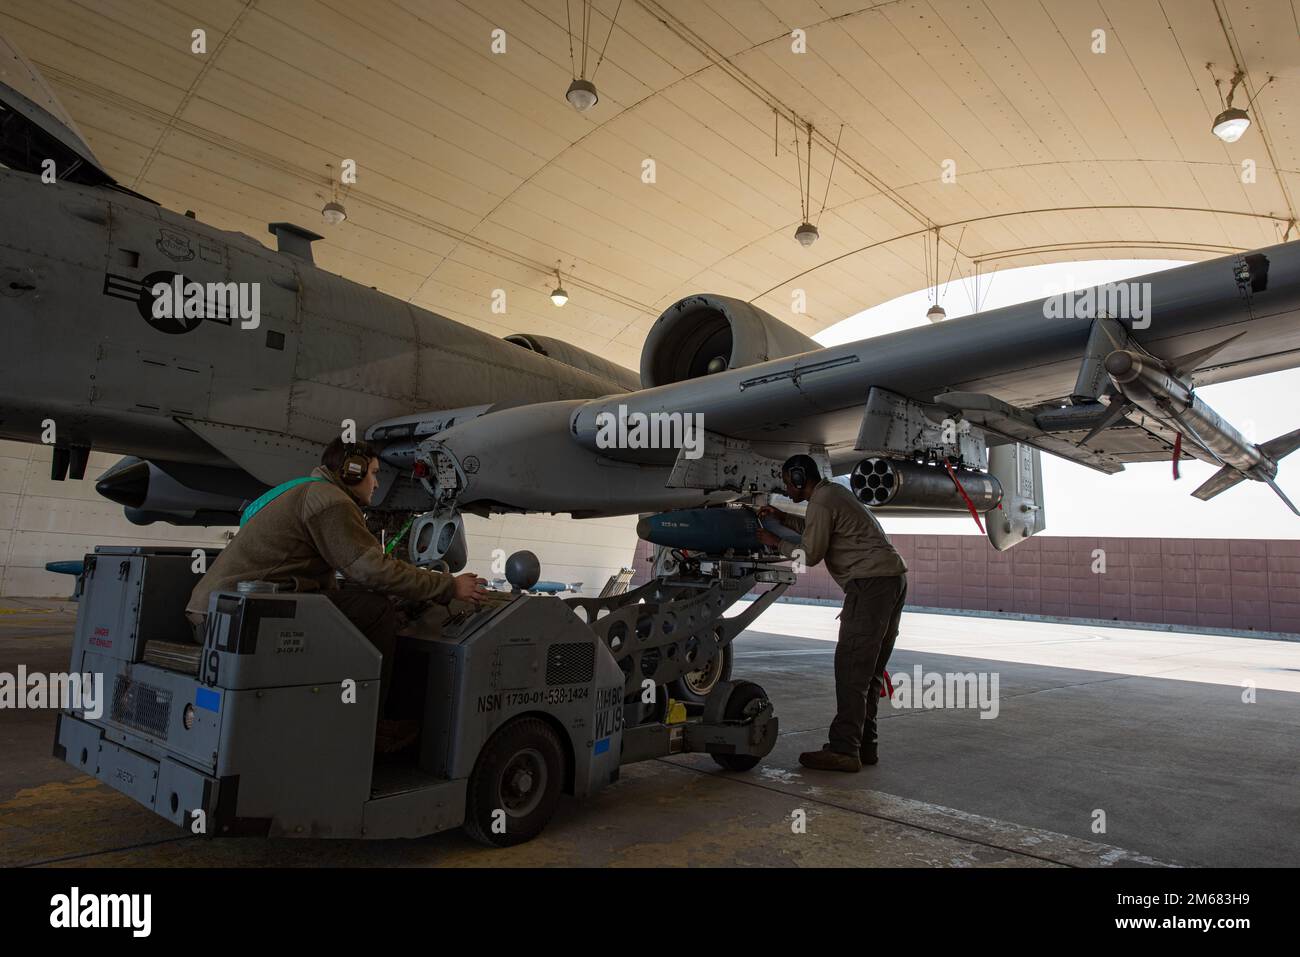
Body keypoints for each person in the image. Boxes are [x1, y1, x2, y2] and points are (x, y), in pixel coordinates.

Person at [186, 438, 488, 750]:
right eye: (372, 473)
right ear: (351, 472)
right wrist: (448, 586)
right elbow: (371, 569)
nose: (376, 482)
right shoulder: (331, 501)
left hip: (216, 613)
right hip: (237, 619)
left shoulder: (301, 490)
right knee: (376, 610)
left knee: (360, 604)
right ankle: (373, 726)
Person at [756, 454, 908, 772]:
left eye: (787, 481)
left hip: (870, 585)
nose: (785, 488)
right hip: (891, 581)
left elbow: (810, 555)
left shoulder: (823, 500)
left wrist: (775, 542)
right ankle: (865, 746)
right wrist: (784, 519)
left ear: (799, 477)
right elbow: (819, 528)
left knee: (852, 669)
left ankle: (843, 750)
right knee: (869, 671)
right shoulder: (831, 495)